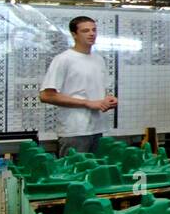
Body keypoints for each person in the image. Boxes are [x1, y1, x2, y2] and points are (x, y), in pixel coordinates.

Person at [39, 15, 117, 154]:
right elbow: (46, 95)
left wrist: (108, 99)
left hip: (98, 129)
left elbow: (97, 91)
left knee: (96, 167)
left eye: (94, 30)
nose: (91, 34)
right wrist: (87, 103)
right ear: (74, 34)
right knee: (75, 167)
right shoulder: (63, 59)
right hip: (74, 131)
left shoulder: (98, 59)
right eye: (85, 31)